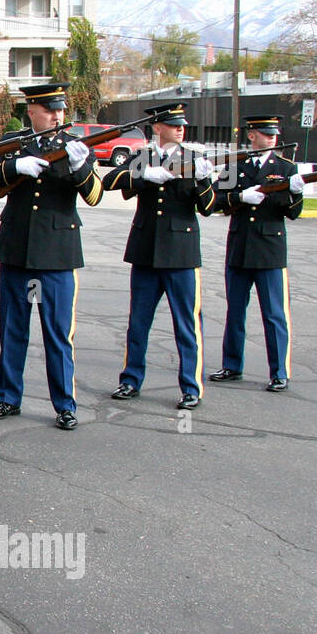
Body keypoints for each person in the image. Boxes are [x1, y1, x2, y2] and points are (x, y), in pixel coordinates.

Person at [0, 82, 102, 430]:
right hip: (18, 250)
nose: (57, 115)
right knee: (13, 329)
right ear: (31, 111)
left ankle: (65, 404)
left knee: (57, 333)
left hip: (56, 255)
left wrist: (81, 167)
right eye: (49, 109)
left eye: (60, 110)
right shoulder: (14, 144)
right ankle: (8, 398)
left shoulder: (75, 147)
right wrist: (14, 168)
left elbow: (94, 195)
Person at [105, 103, 217, 410]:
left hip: (181, 254)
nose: (180, 128)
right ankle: (130, 379)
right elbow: (111, 180)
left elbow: (209, 207)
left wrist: (204, 179)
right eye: (173, 124)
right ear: (157, 127)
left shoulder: (195, 159)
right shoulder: (143, 156)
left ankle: (191, 386)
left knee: (187, 325)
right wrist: (146, 174)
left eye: (182, 124)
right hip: (145, 251)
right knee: (138, 323)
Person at [209, 115, 303, 392]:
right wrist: (240, 197)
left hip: (269, 251)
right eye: (264, 132)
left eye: (273, 133)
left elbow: (293, 212)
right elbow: (214, 201)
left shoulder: (286, 168)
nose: (271, 137)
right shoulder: (235, 167)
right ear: (251, 135)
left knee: (274, 314)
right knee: (235, 311)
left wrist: (295, 193)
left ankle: (279, 372)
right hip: (239, 248)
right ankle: (232, 365)